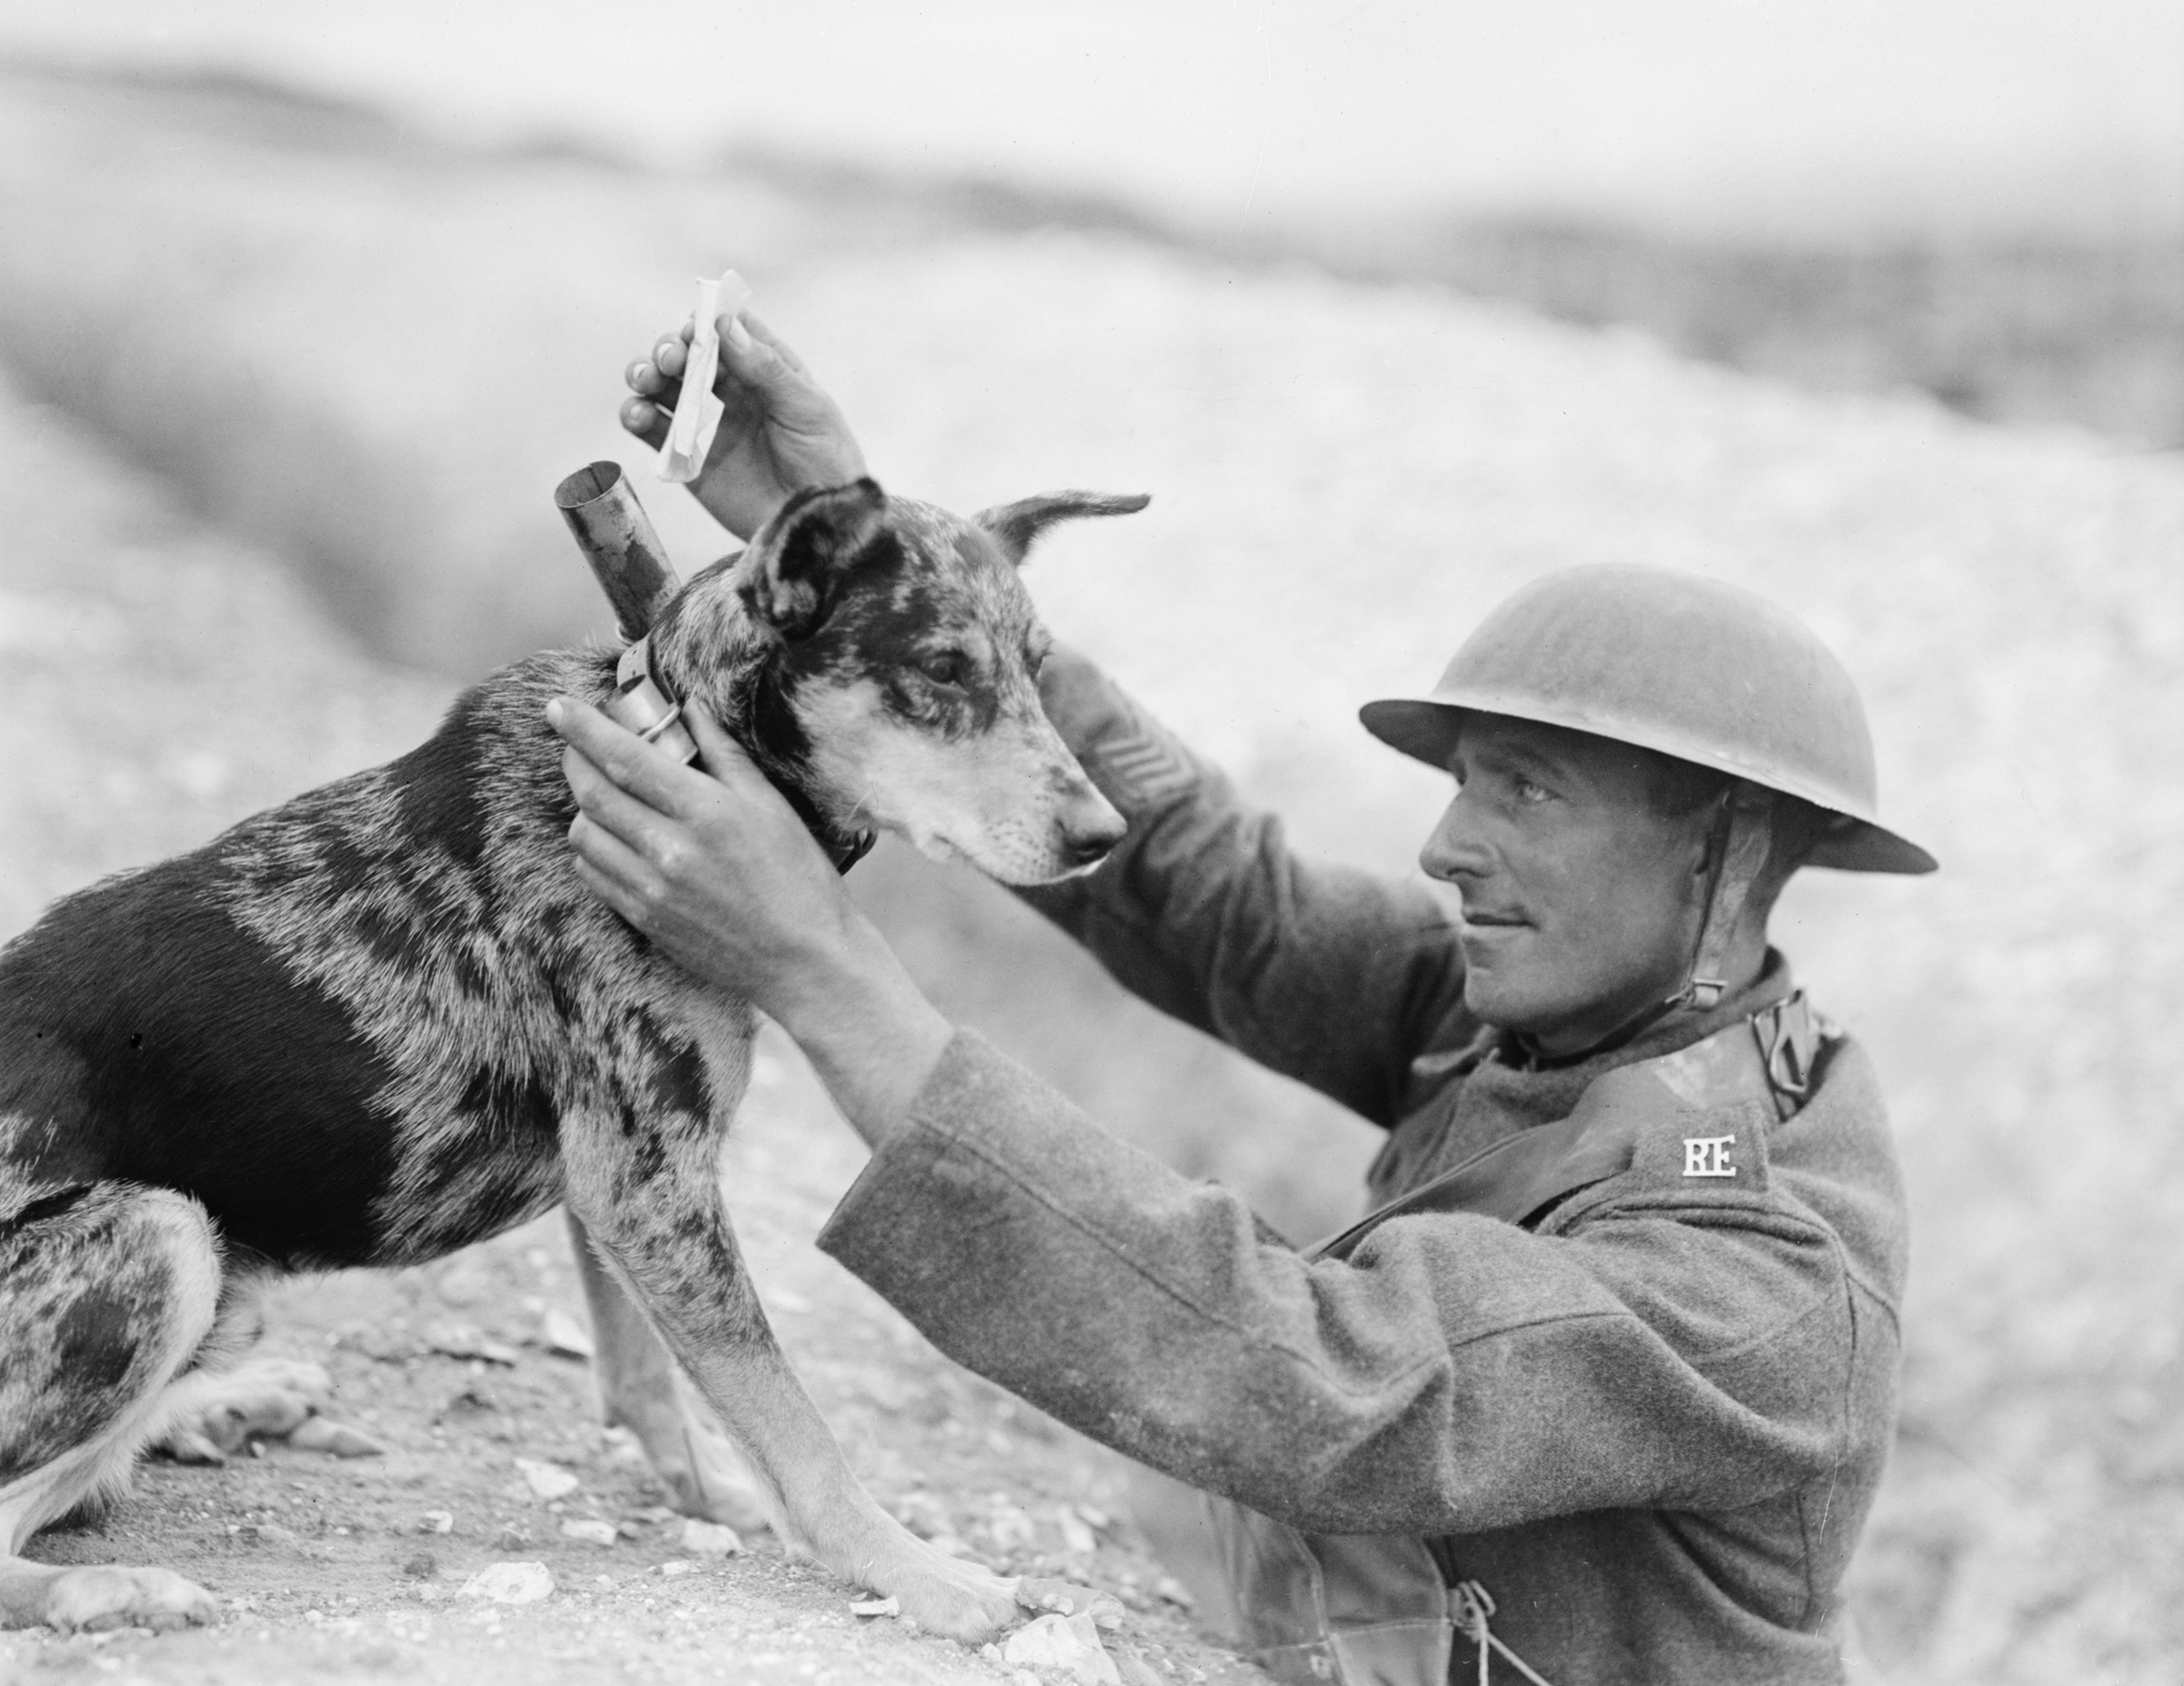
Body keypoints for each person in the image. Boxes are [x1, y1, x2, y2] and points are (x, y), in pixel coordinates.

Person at [545, 309, 1933, 1685]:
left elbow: (1325, 1378)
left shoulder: (1758, 1266)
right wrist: (846, 559)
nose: (1448, 848)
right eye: (1461, 785)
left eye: (1525, 791)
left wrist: (822, 972)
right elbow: (1218, 899)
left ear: (1731, 848)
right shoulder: (1577, 1024)